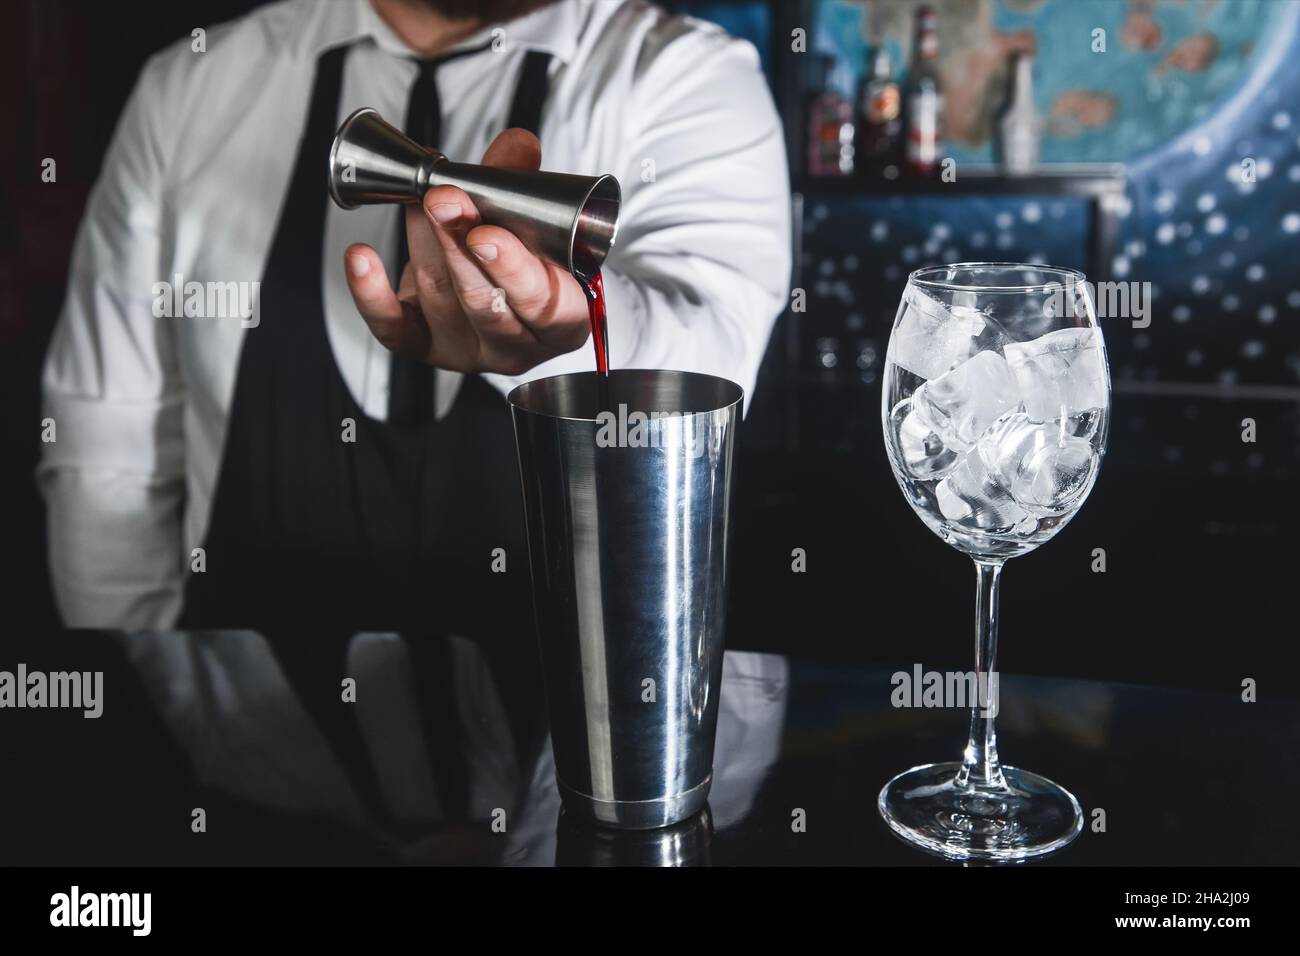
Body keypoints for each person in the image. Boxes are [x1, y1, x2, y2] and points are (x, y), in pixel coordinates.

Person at [37, 0, 791, 634]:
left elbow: (708, 370)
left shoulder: (686, 73)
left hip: (576, 744)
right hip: (251, 757)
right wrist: (149, 682)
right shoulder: (192, 86)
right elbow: (108, 452)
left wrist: (562, 339)